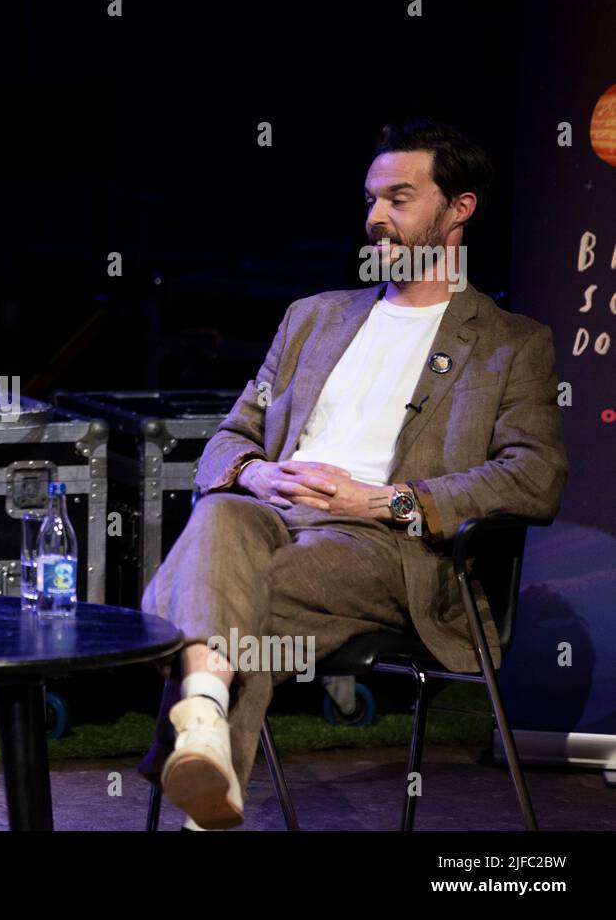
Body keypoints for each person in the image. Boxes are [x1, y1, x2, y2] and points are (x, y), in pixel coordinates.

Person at [140, 120, 568, 830]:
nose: (376, 218)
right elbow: (229, 438)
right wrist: (255, 472)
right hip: (269, 519)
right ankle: (207, 724)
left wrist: (389, 499)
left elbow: (534, 476)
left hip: (383, 542)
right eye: (371, 200)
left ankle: (202, 709)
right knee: (219, 514)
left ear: (458, 208)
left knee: (208, 598)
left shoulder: (510, 343)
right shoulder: (311, 320)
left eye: (399, 198)